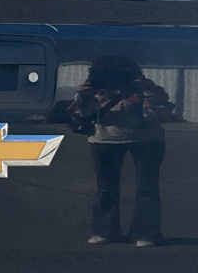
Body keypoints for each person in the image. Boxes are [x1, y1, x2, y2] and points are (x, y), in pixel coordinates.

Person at [68, 55, 171, 247]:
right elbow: (83, 113)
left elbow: (159, 109)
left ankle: (146, 233)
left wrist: (144, 87)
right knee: (106, 187)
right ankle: (105, 231)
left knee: (146, 188)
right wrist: (84, 94)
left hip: (146, 138)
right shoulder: (96, 88)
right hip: (105, 138)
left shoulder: (145, 88)